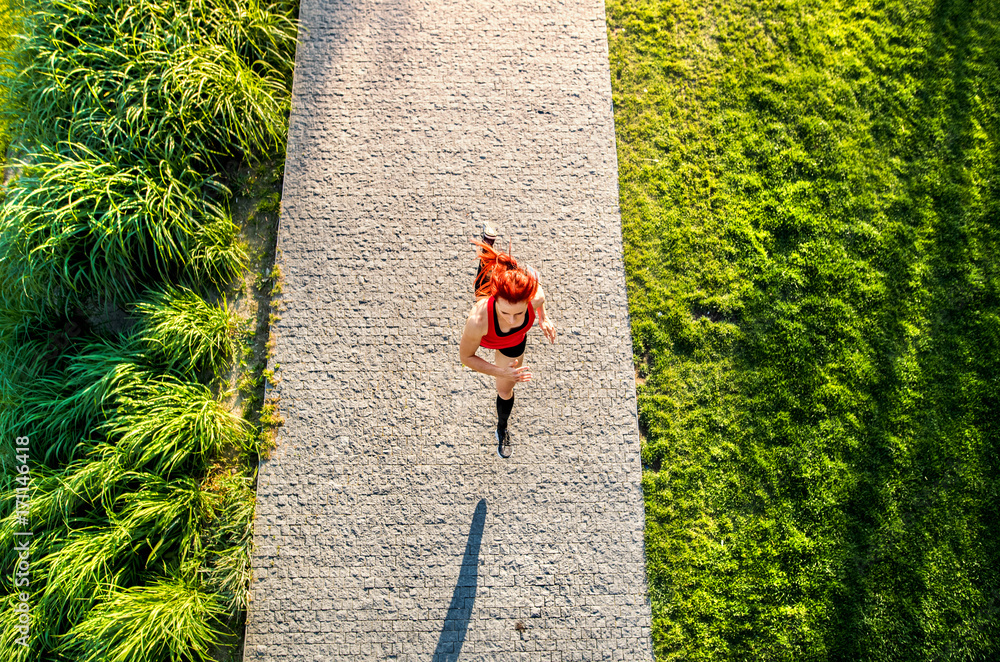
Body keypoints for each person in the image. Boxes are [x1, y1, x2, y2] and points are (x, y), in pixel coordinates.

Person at [459, 225, 556, 458]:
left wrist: (543, 319)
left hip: (512, 344)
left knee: (505, 391)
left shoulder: (535, 298)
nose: (512, 320)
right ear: (496, 301)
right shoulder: (478, 318)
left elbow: (540, 296)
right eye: (505, 313)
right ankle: (487, 253)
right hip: (488, 314)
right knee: (482, 282)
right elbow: (466, 357)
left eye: (518, 314)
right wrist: (498, 371)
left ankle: (502, 428)